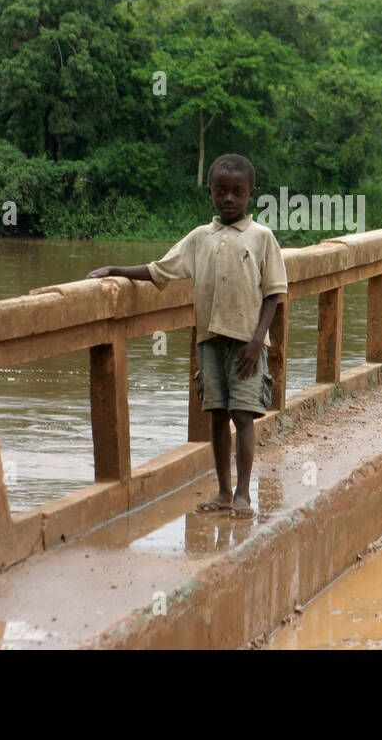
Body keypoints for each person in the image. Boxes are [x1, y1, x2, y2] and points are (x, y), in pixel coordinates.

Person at [86, 153, 287, 520]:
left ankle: (243, 493)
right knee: (216, 415)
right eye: (221, 191)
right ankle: (224, 492)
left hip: (247, 344)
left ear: (251, 194)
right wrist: (116, 269)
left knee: (243, 416)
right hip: (209, 340)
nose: (229, 198)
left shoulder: (262, 237)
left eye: (237, 192)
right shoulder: (199, 238)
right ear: (209, 192)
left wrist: (259, 341)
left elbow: (274, 293)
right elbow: (160, 269)